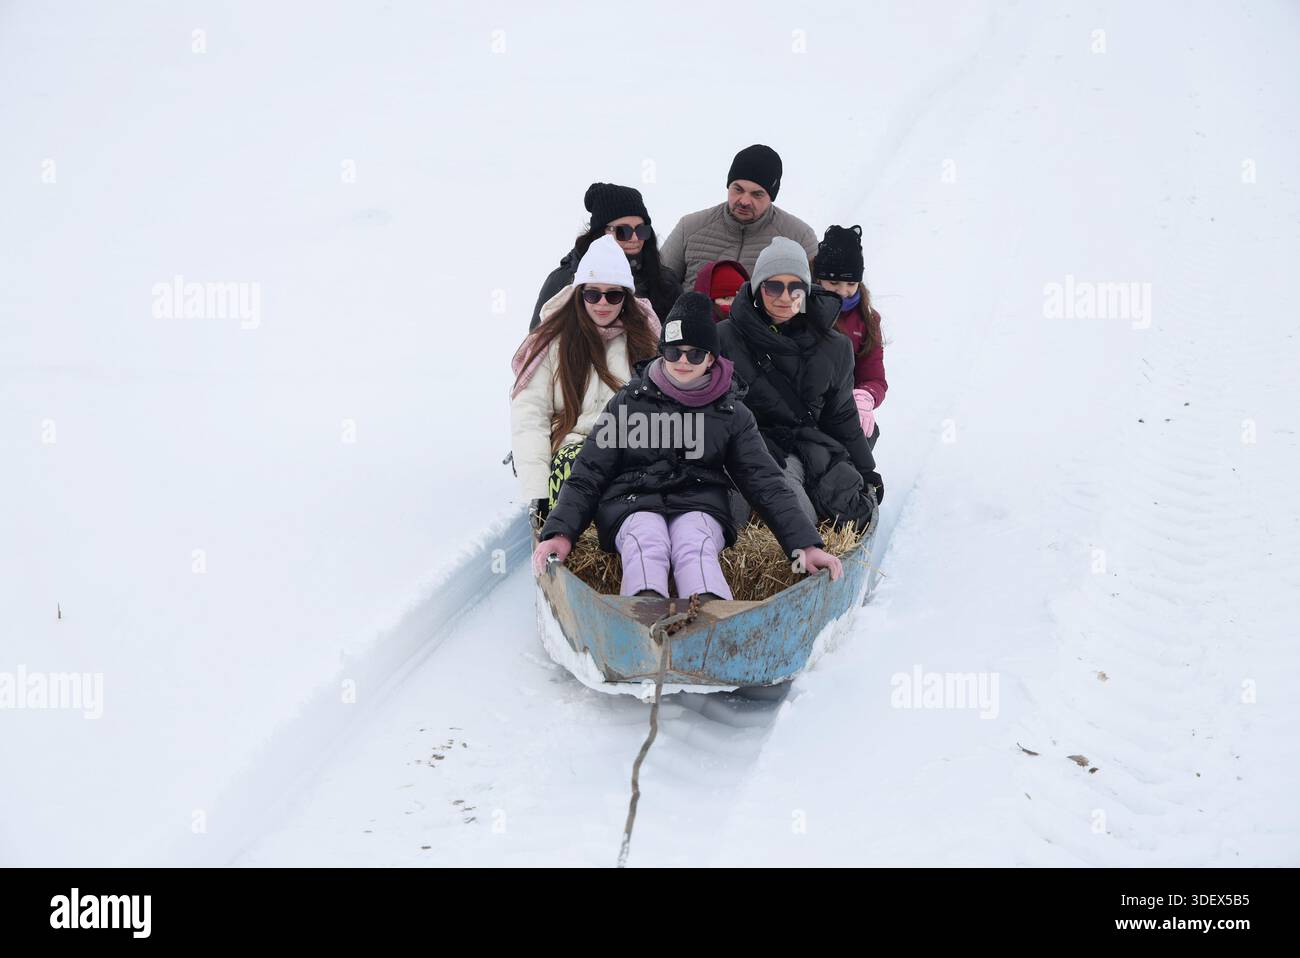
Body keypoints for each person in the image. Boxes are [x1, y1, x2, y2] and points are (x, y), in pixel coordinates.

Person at [531, 292, 843, 597]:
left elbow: (766, 482)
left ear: (710, 358)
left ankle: (709, 617)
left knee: (694, 543)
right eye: (673, 352)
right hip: (632, 501)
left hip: (700, 503)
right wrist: (561, 533)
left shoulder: (730, 412)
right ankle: (642, 611)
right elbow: (589, 471)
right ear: (662, 351)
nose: (682, 361)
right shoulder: (629, 402)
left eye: (694, 354)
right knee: (645, 538)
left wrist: (805, 545)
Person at [717, 237, 883, 532]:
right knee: (735, 509)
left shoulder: (834, 347)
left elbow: (841, 415)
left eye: (795, 287)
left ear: (806, 291)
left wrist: (867, 470)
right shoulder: (724, 338)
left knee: (823, 508)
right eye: (774, 286)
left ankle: (806, 556)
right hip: (739, 445)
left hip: (803, 446)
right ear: (758, 289)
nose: (785, 297)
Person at [511, 235, 661, 526]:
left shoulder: (645, 339)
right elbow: (530, 416)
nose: (602, 303)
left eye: (613, 295)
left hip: (628, 447)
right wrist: (537, 491)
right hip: (571, 448)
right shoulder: (551, 342)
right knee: (577, 472)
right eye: (593, 294)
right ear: (579, 294)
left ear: (626, 297)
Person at [659, 145, 819, 290]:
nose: (744, 201)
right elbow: (656, 286)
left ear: (771, 196)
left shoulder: (799, 237)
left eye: (757, 194)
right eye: (738, 189)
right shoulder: (690, 227)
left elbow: (811, 304)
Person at [529, 182, 681, 330]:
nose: (635, 238)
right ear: (601, 232)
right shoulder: (564, 279)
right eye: (623, 231)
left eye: (642, 230)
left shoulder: (664, 281)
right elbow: (538, 343)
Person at [812, 225, 887, 448]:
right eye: (834, 283)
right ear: (818, 279)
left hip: (842, 405)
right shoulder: (800, 308)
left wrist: (865, 396)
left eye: (851, 284)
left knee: (864, 434)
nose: (844, 291)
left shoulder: (866, 319)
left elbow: (874, 376)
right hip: (802, 403)